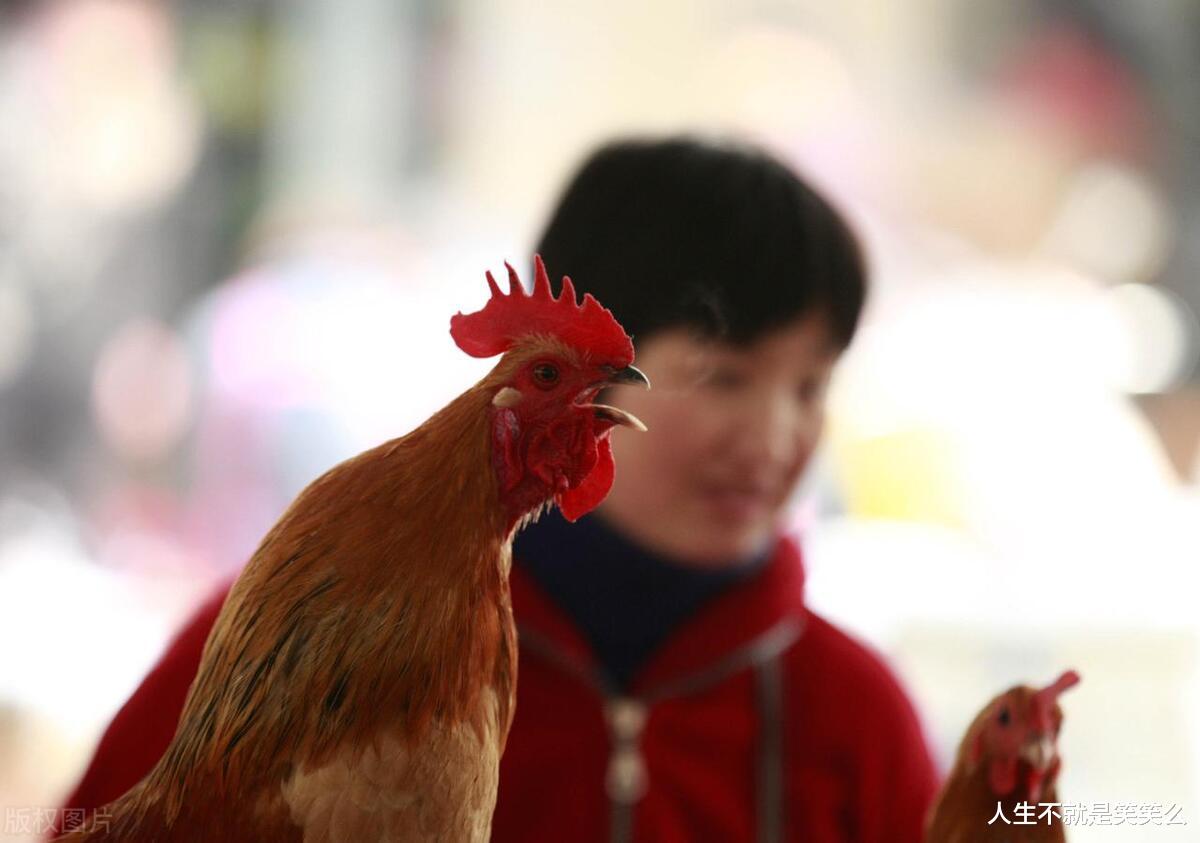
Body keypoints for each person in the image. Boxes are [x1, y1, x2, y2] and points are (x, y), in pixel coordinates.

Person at [62, 137, 939, 842]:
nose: (776, 437)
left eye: (810, 387)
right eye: (724, 376)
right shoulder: (281, 652)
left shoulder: (852, 715)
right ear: (586, 387)